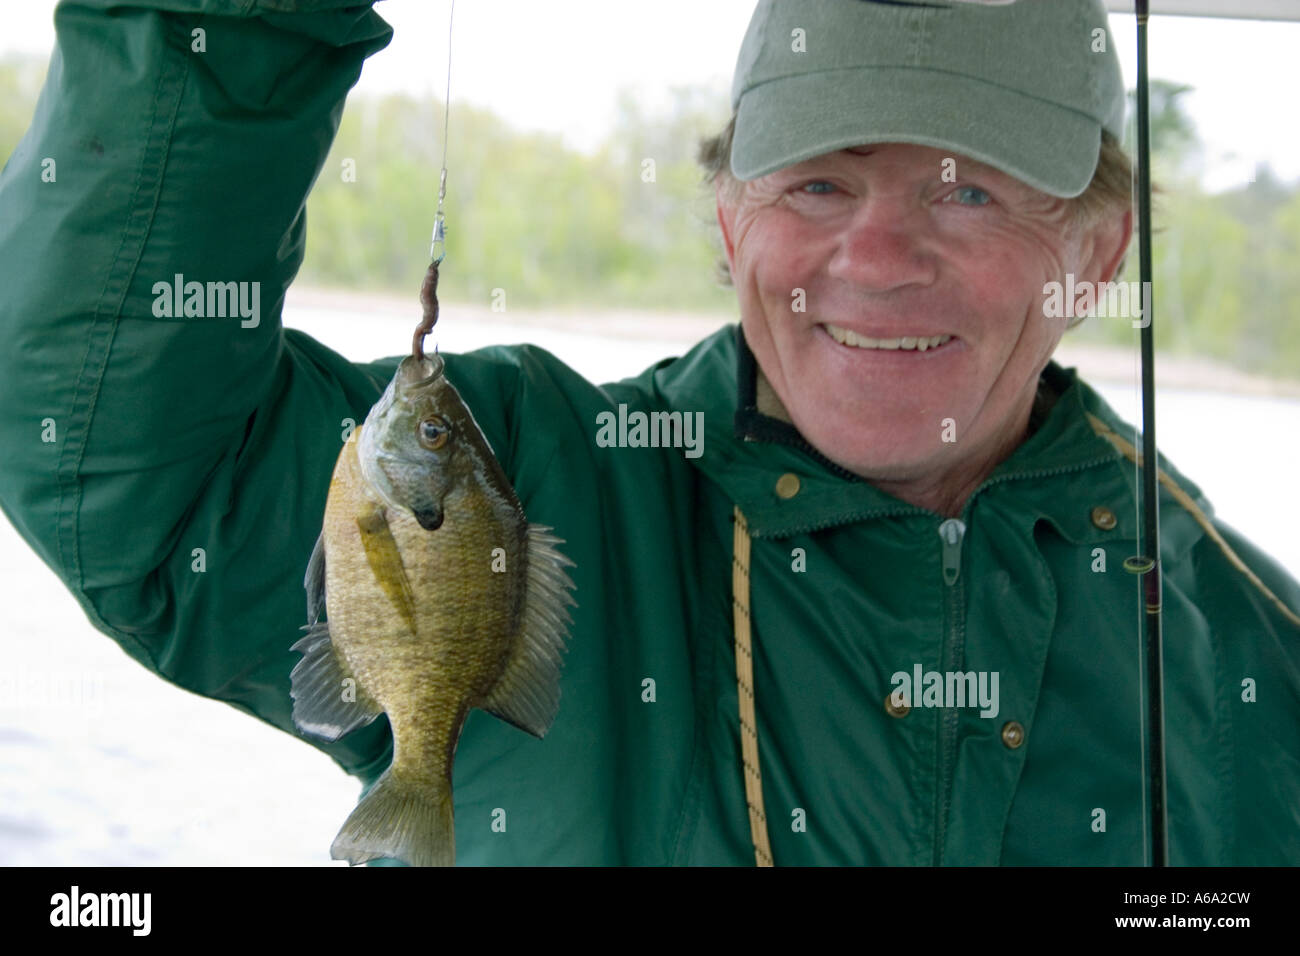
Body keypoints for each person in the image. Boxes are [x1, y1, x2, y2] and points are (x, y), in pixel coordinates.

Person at [0, 0, 1296, 866]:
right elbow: (117, 455)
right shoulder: (525, 463)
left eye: (970, 190)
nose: (878, 256)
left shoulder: (1258, 650)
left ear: (1094, 254)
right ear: (731, 225)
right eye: (818, 182)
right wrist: (234, 24)